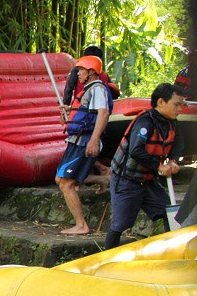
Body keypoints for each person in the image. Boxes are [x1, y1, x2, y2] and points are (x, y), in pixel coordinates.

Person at [105, 83, 186, 249]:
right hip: (127, 181)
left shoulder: (172, 123)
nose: (180, 109)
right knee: (120, 224)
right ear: (161, 102)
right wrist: (159, 166)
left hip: (148, 181)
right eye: (176, 104)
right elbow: (136, 150)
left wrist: (173, 160)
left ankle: (174, 250)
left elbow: (178, 143)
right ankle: (105, 259)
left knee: (170, 213)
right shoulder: (145, 122)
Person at [55, 55, 112, 234]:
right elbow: (87, 112)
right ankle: (102, 179)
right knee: (60, 179)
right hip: (76, 140)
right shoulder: (88, 90)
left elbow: (102, 114)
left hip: (84, 141)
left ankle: (81, 225)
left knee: (66, 183)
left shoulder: (97, 89)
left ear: (91, 72)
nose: (78, 73)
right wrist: (69, 112)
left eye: (81, 70)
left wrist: (94, 140)